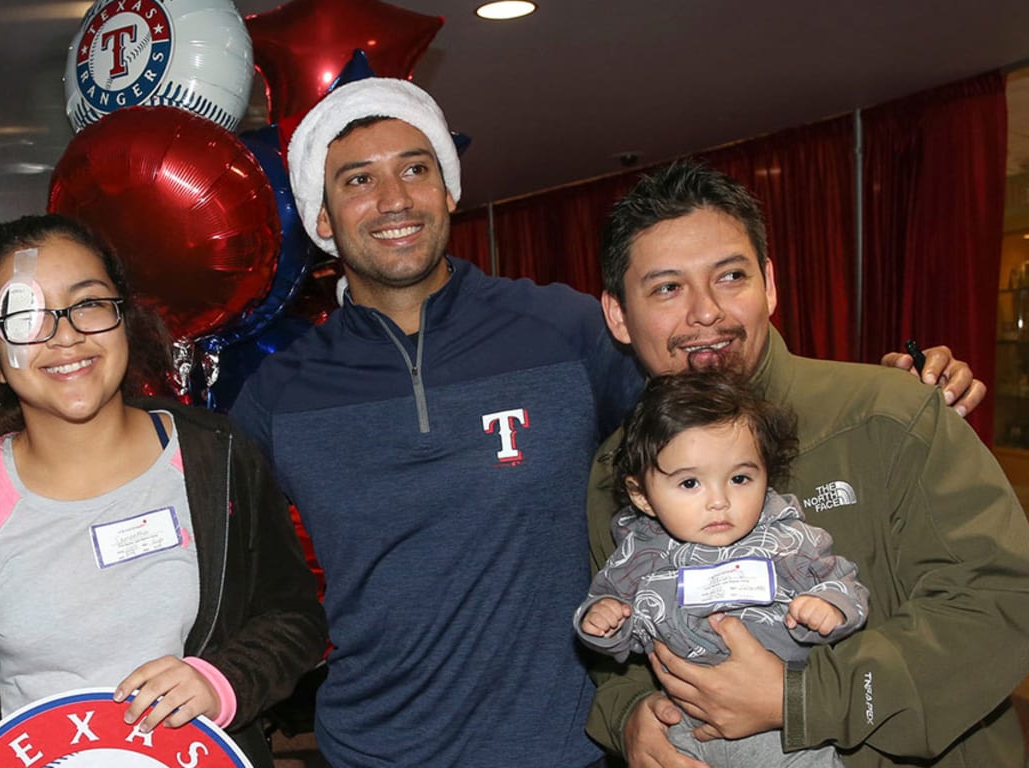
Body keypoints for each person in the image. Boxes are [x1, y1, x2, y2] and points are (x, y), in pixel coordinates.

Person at [228, 78, 984, 768]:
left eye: (416, 168)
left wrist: (880, 391)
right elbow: (228, 557)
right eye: (358, 179)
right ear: (322, 216)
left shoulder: (563, 327)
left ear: (451, 192)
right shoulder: (279, 394)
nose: (394, 197)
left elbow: (712, 398)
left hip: (566, 746)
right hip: (372, 749)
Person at [587, 160, 1029, 768]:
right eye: (667, 288)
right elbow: (612, 648)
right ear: (617, 315)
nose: (706, 311)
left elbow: (999, 600)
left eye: (731, 276)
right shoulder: (618, 469)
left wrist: (803, 698)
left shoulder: (888, 414)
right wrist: (631, 719)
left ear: (769, 284)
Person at [0, 214, 327, 768]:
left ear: (123, 318)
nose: (65, 335)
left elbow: (295, 617)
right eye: (24, 315)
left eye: (88, 304)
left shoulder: (215, 456)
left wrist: (223, 680)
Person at [576, 370, 868, 767]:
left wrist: (829, 604)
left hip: (781, 735)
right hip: (684, 731)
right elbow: (614, 621)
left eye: (740, 478)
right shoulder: (638, 556)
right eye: (690, 484)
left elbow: (845, 583)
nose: (719, 501)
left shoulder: (786, 539)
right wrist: (604, 621)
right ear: (641, 496)